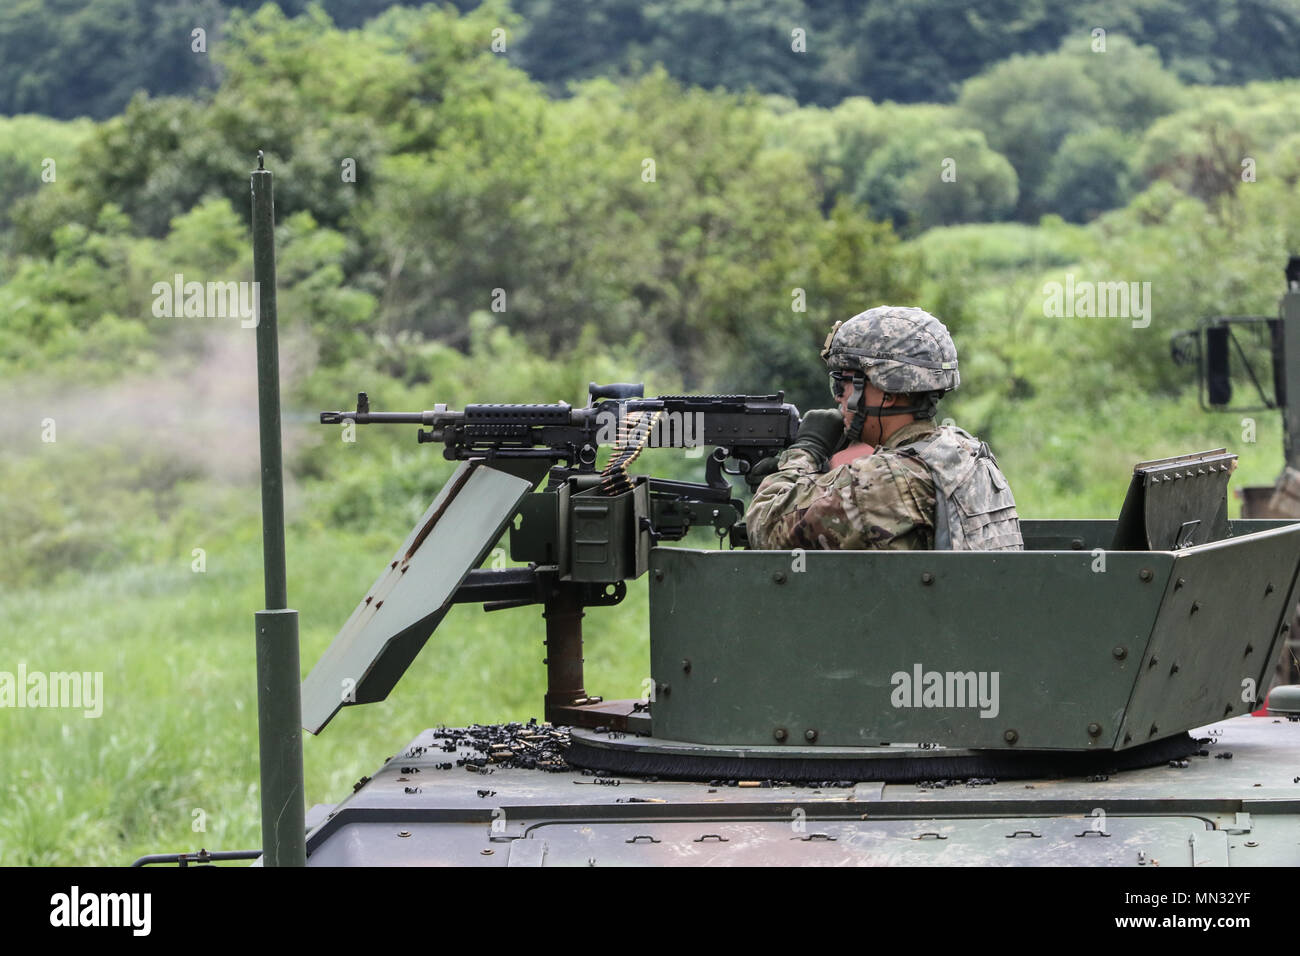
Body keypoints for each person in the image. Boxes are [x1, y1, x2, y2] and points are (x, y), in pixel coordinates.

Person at [745, 306, 1023, 551]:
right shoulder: (969, 453)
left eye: (843, 383)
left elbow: (766, 528)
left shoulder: (883, 479)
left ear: (887, 392)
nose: (837, 397)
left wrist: (805, 452)